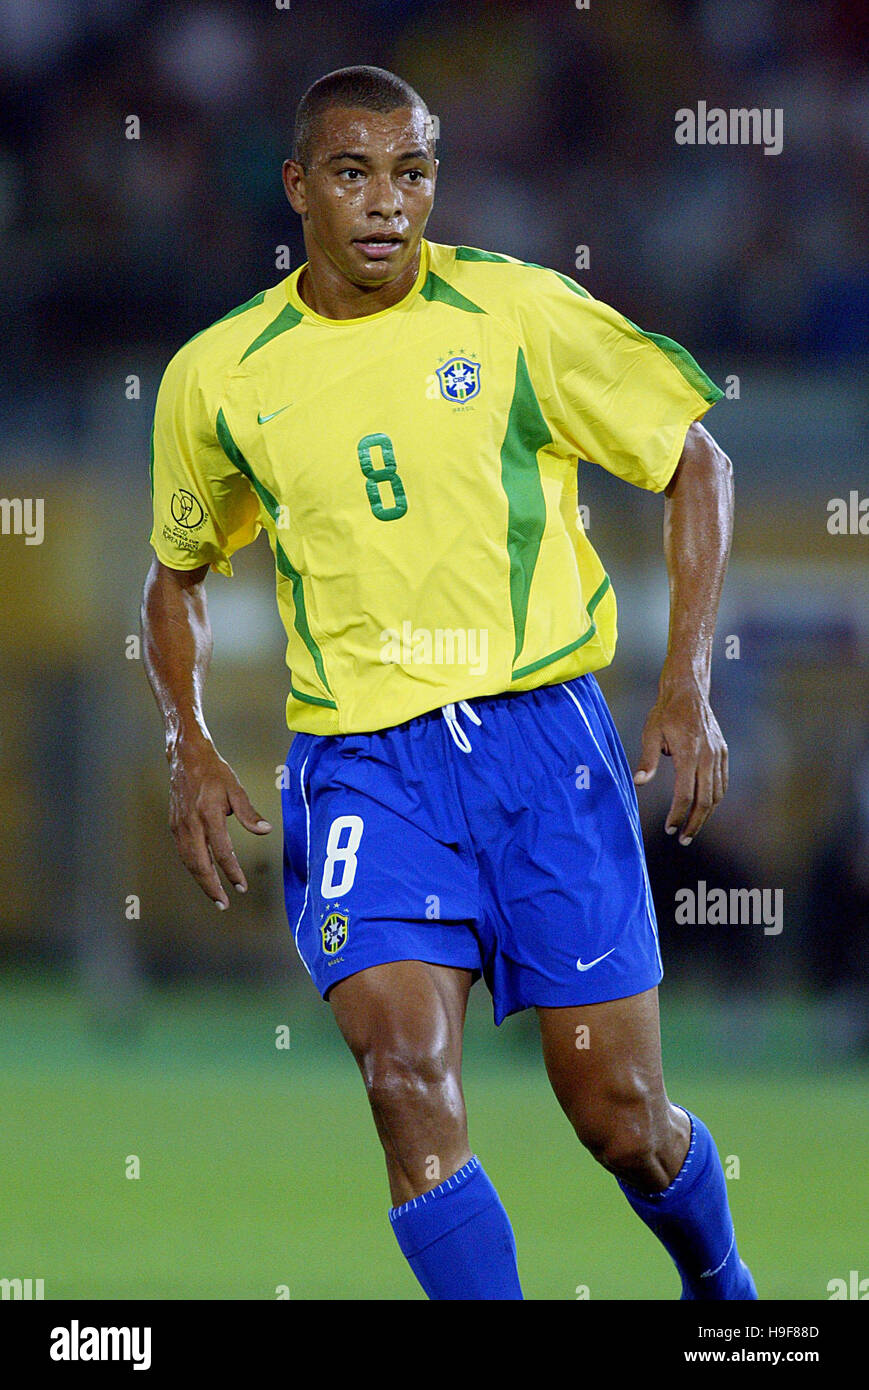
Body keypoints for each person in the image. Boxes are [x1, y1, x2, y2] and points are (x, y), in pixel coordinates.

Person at [142, 64, 757, 1301]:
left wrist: (686, 678)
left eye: (411, 173)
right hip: (365, 762)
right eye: (354, 173)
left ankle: (723, 1291)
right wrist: (189, 739)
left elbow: (696, 462)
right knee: (404, 1072)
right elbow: (176, 576)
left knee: (618, 1112)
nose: (386, 202)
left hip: (546, 751)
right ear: (296, 187)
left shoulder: (516, 312)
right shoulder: (220, 377)